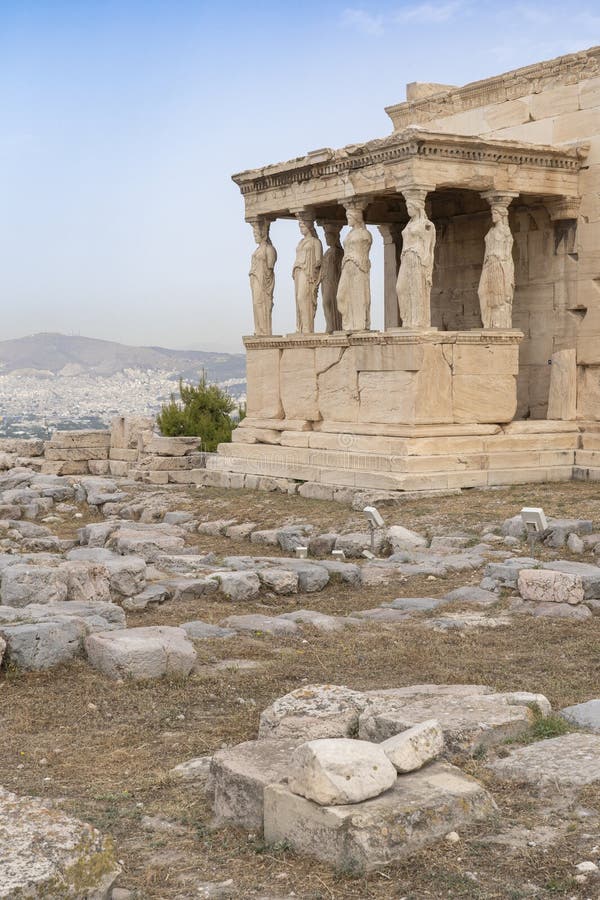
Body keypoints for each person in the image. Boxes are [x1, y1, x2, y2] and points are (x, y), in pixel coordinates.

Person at [396, 193, 435, 328]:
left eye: (410, 207)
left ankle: (418, 321)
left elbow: (429, 247)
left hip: (418, 259)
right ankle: (407, 319)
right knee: (400, 288)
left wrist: (427, 269)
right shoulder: (409, 224)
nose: (408, 210)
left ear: (417, 207)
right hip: (406, 258)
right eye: (407, 207)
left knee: (416, 290)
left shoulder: (426, 225)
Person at [478, 204, 514, 329]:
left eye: (495, 213)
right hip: (489, 265)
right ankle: (488, 323)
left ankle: (499, 325)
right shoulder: (491, 231)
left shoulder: (505, 231)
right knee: (482, 292)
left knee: (498, 296)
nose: (493, 216)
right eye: (492, 213)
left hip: (499, 265)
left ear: (501, 215)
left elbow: (507, 251)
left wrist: (500, 259)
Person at [336, 205, 372, 331]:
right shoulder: (350, 234)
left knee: (358, 295)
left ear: (356, 217)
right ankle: (348, 324)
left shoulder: (365, 234)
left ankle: (359, 324)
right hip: (346, 267)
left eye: (349, 217)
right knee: (341, 296)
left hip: (358, 267)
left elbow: (365, 253)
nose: (348, 220)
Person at [293, 217, 322, 333]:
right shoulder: (301, 242)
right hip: (298, 272)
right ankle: (301, 327)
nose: (301, 229)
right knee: (298, 299)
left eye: (303, 226)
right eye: (300, 226)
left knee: (303, 297)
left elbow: (319, 260)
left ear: (309, 226)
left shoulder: (316, 242)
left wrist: (314, 277)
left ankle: (307, 328)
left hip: (308, 273)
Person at [249, 219, 276, 335]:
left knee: (261, 303)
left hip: (263, 281)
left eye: (256, 234)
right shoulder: (258, 249)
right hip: (255, 280)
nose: (254, 236)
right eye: (254, 234)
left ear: (262, 234)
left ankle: (265, 330)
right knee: (256, 304)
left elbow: (270, 267)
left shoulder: (269, 249)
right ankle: (259, 329)